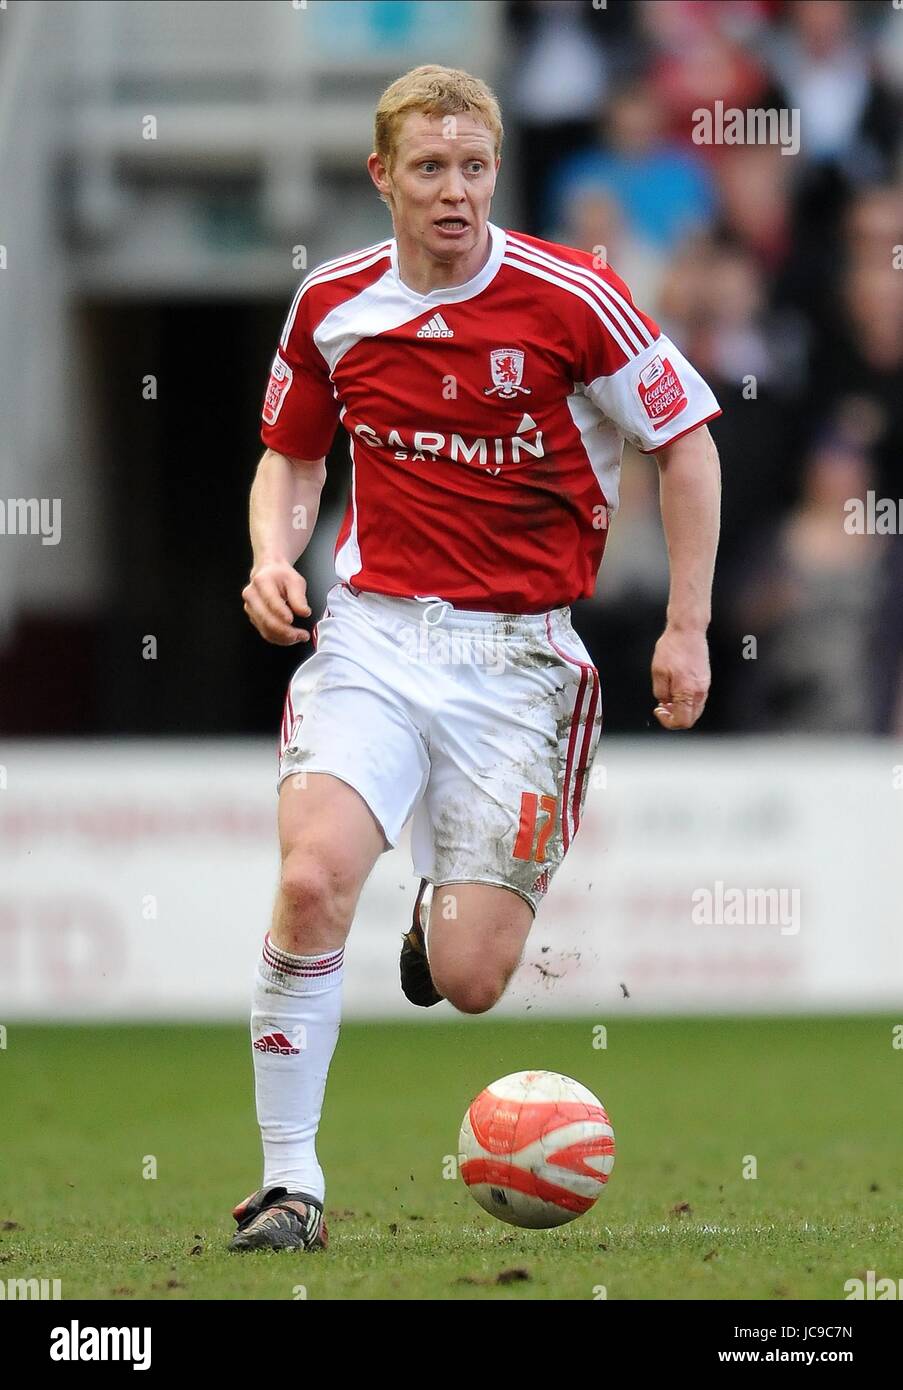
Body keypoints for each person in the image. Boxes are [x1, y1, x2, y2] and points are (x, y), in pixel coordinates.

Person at [232, 65, 721, 1252]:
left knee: (470, 979)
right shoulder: (333, 303)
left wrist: (688, 624)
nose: (456, 193)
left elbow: (688, 443)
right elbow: (293, 455)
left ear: (496, 171)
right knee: (309, 882)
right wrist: (272, 554)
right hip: (377, 635)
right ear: (382, 177)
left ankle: (436, 909)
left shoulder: (574, 296)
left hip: (522, 665)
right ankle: (289, 1184)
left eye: (476, 168)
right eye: (431, 169)